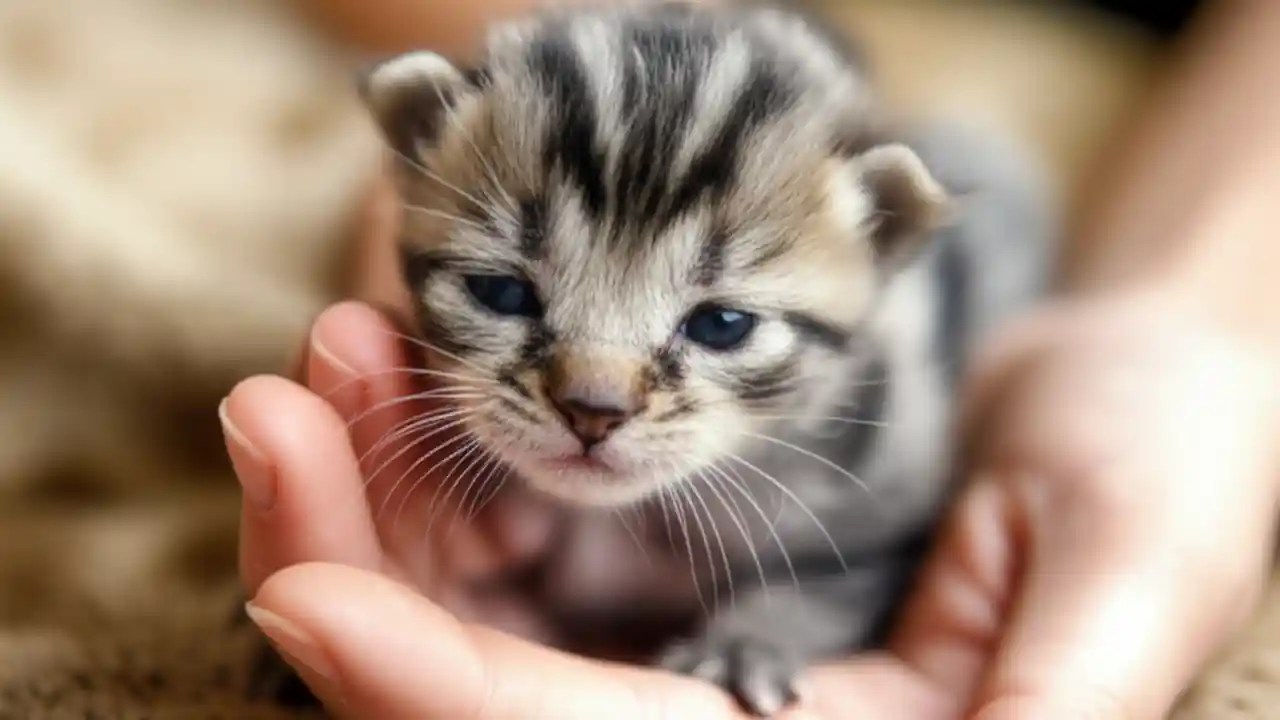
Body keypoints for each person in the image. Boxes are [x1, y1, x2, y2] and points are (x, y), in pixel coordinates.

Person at [220, 0, 1280, 717]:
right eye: (504, 291)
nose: (593, 394)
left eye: (718, 325)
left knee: (982, 166)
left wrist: (770, 627)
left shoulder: (872, 445)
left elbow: (863, 551)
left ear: (885, 241)